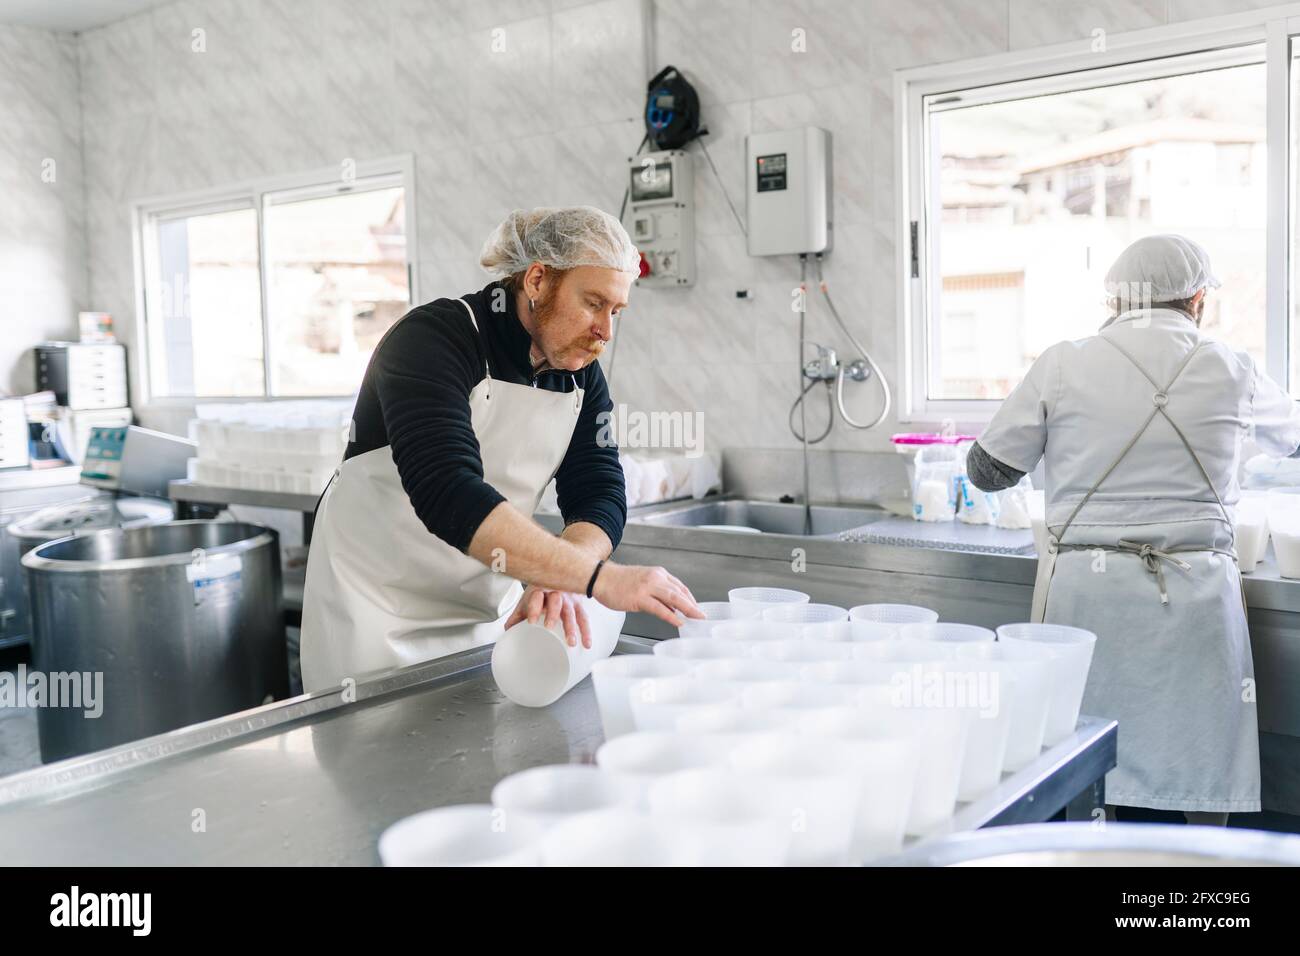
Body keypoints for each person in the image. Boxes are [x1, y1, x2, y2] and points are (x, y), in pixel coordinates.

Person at [966, 234, 1300, 824]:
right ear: (1197, 299)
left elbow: (987, 472)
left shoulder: (1062, 362)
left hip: (1087, 599)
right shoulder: (1233, 366)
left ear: (1115, 301)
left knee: (1089, 765)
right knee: (1200, 764)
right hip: (1196, 595)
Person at [300, 206, 702, 692]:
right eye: (594, 303)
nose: (606, 332)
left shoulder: (579, 377)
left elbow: (599, 489)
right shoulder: (434, 339)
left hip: (484, 617)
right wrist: (599, 579)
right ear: (537, 280)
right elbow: (449, 493)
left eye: (616, 311)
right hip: (373, 612)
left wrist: (564, 574)